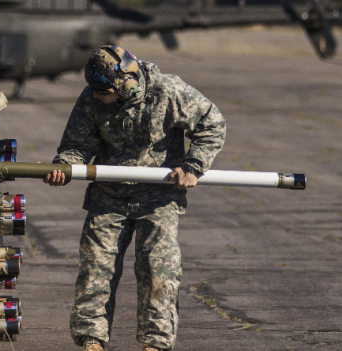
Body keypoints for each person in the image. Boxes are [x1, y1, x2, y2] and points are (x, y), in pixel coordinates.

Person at [44, 46, 225, 351]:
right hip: (109, 196)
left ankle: (155, 344)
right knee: (95, 271)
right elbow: (76, 145)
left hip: (157, 199)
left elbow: (212, 124)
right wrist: (65, 165)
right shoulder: (91, 98)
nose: (95, 95)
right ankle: (91, 341)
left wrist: (193, 165)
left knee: (158, 272)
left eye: (102, 91)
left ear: (125, 86)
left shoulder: (168, 91)